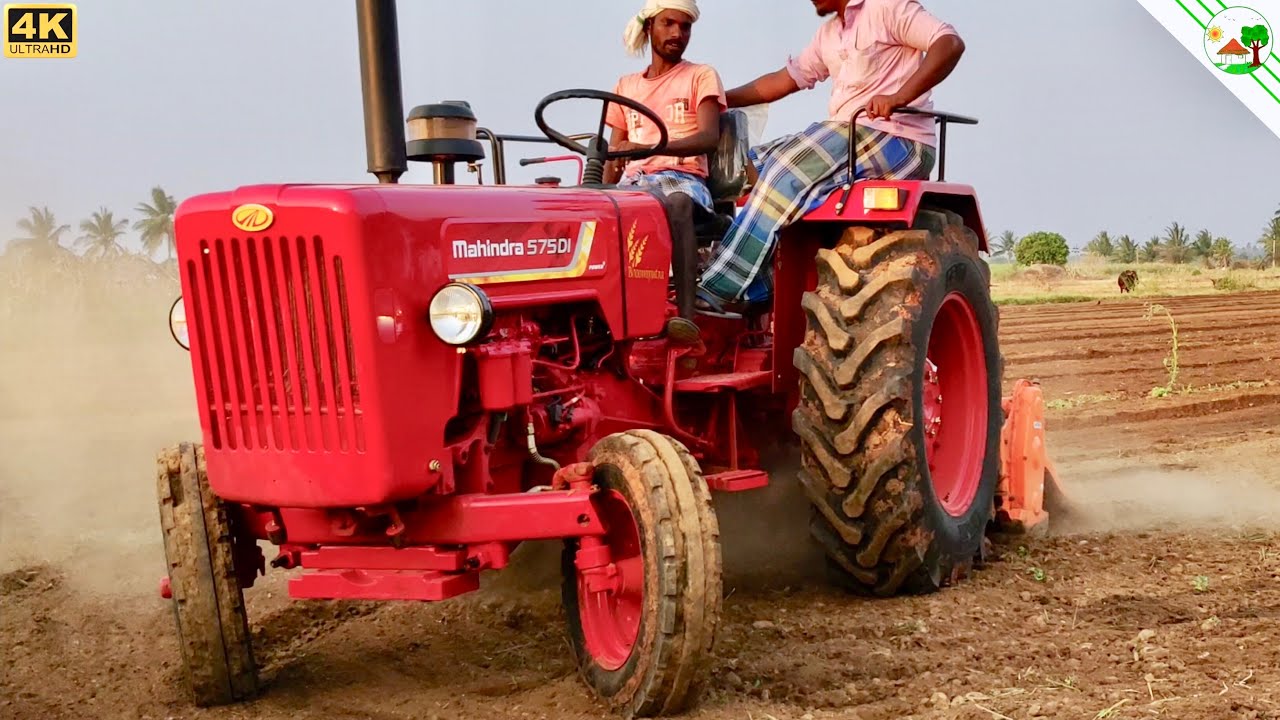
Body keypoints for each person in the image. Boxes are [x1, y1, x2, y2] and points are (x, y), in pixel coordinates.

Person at [696, 0, 966, 312]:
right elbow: (782, 81)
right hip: (849, 133)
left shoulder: (887, 8)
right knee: (747, 167)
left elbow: (949, 43)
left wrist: (898, 96)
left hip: (898, 138)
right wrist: (713, 99)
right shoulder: (829, 34)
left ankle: (720, 287)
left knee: (786, 171)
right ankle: (763, 280)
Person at [605, 0, 727, 342]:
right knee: (594, 209)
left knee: (676, 202)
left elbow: (708, 138)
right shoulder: (626, 85)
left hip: (684, 179)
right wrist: (596, 191)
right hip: (636, 185)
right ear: (649, 27)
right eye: (669, 24)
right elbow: (614, 152)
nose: (678, 33)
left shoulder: (700, 75)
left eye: (685, 27)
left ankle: (687, 319)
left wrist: (648, 149)